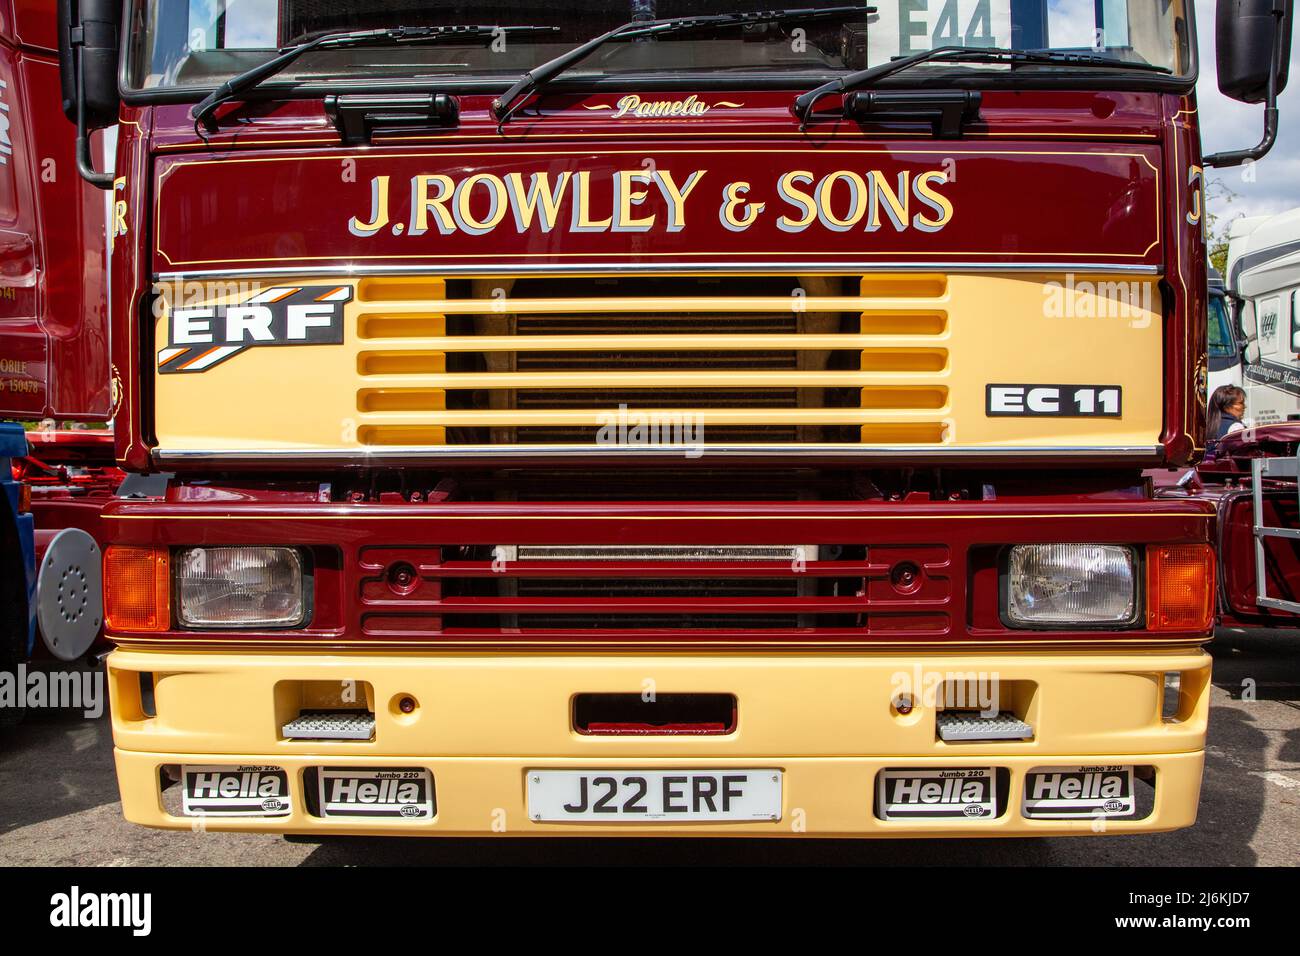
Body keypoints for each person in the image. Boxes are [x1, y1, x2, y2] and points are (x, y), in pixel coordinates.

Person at [1206, 385, 1246, 457]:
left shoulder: (1206, 427)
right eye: (1241, 403)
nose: (1244, 406)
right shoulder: (1236, 427)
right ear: (1226, 406)